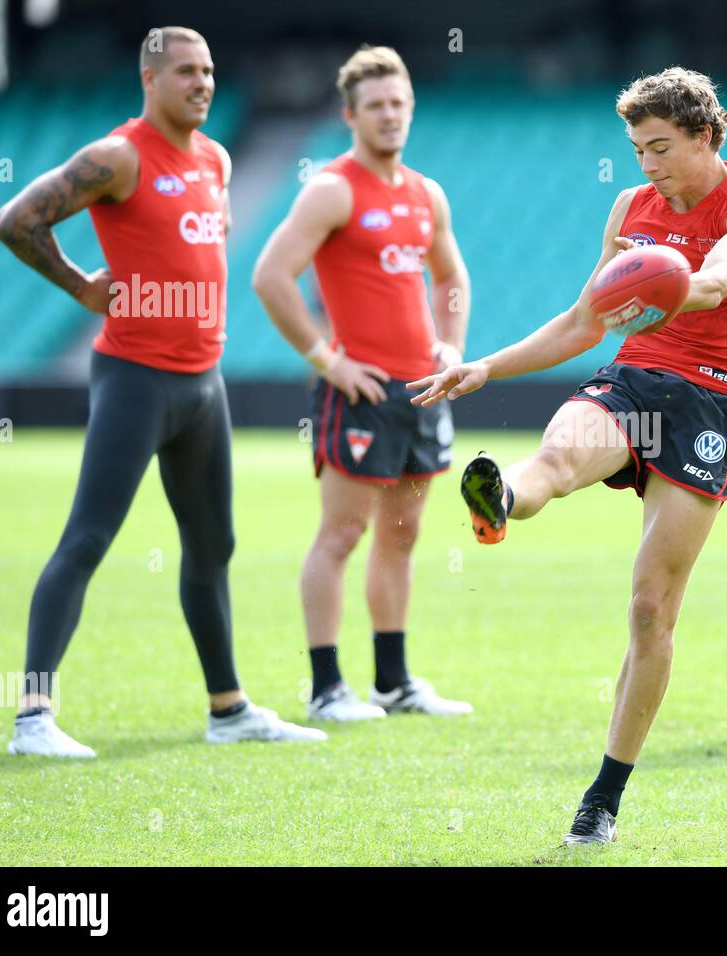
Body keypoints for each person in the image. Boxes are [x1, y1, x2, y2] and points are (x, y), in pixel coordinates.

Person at [410, 68, 727, 844]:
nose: (646, 165)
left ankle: (603, 799)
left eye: (660, 148)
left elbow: (715, 281)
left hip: (711, 402)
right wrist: (486, 366)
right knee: (550, 464)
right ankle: (499, 500)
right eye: (637, 149)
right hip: (632, 380)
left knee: (652, 609)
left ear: (707, 137)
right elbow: (587, 321)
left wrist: (664, 279)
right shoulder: (631, 208)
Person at [0, 26, 326, 757]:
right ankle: (32, 719)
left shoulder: (217, 157)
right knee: (87, 538)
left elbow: (205, 237)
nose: (203, 82)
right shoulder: (118, 157)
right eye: (185, 71)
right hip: (135, 380)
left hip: (204, 384)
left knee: (213, 547)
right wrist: (82, 285)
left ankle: (228, 707)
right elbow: (14, 221)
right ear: (151, 80)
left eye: (208, 70)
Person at [253, 46, 472, 721]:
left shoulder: (425, 193)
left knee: (401, 536)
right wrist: (330, 361)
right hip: (359, 393)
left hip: (420, 391)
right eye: (375, 106)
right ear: (350, 114)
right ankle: (325, 690)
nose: (389, 116)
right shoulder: (332, 188)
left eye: (398, 104)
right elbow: (269, 276)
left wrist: (451, 348)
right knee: (341, 534)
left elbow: (452, 279)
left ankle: (393, 682)